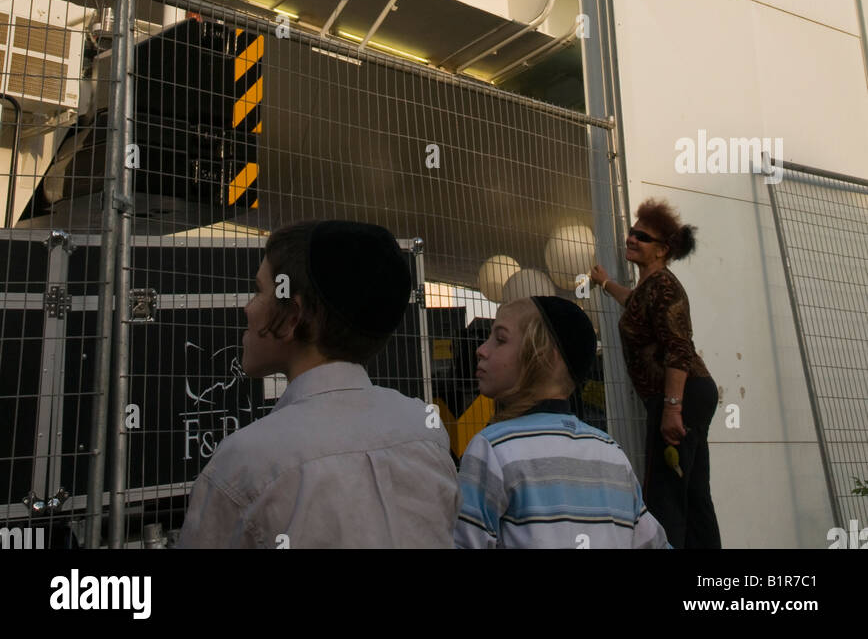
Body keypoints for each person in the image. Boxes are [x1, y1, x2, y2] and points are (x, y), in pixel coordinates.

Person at [177, 219, 459, 548]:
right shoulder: (425, 432)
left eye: (259, 291)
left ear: (292, 318)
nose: (247, 306)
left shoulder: (247, 463)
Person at [454, 296, 669, 549]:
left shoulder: (492, 448)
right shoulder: (612, 453)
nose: (481, 349)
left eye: (500, 339)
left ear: (544, 357)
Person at [590, 199, 722, 549]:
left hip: (682, 394)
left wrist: (671, 408)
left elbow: (678, 348)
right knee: (692, 493)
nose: (632, 239)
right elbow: (634, 303)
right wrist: (605, 284)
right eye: (632, 233)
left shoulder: (664, 286)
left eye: (642, 237)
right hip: (690, 394)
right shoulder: (650, 287)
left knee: (665, 495)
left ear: (662, 250)